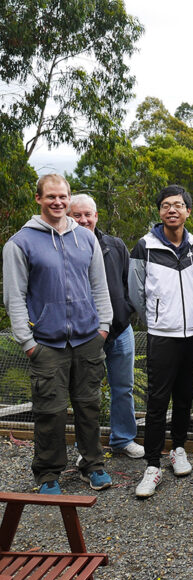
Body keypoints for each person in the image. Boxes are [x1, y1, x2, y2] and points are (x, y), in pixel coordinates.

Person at [3, 174, 113, 494]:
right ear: (38, 199)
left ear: (69, 198)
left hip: (88, 339)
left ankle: (92, 465)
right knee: (49, 412)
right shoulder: (20, 243)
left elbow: (99, 287)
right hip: (47, 344)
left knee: (89, 406)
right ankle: (48, 473)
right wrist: (28, 343)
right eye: (51, 196)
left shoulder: (86, 239)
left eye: (63, 196)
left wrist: (103, 327)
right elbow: (14, 297)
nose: (58, 202)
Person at [129, 184, 193, 498]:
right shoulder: (144, 246)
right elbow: (134, 292)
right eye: (165, 205)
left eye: (177, 205)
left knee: (185, 397)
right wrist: (157, 321)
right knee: (158, 401)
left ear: (188, 211)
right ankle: (152, 464)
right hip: (162, 335)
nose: (171, 210)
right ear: (159, 212)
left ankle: (180, 449)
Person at [67, 194, 144, 459]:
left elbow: (128, 284)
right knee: (84, 394)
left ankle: (123, 439)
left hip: (121, 331)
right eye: (77, 215)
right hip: (84, 335)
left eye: (88, 214)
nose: (84, 219)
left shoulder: (115, 245)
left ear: (96, 216)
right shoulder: (63, 247)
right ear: (68, 216)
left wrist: (126, 311)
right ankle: (86, 448)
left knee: (123, 388)